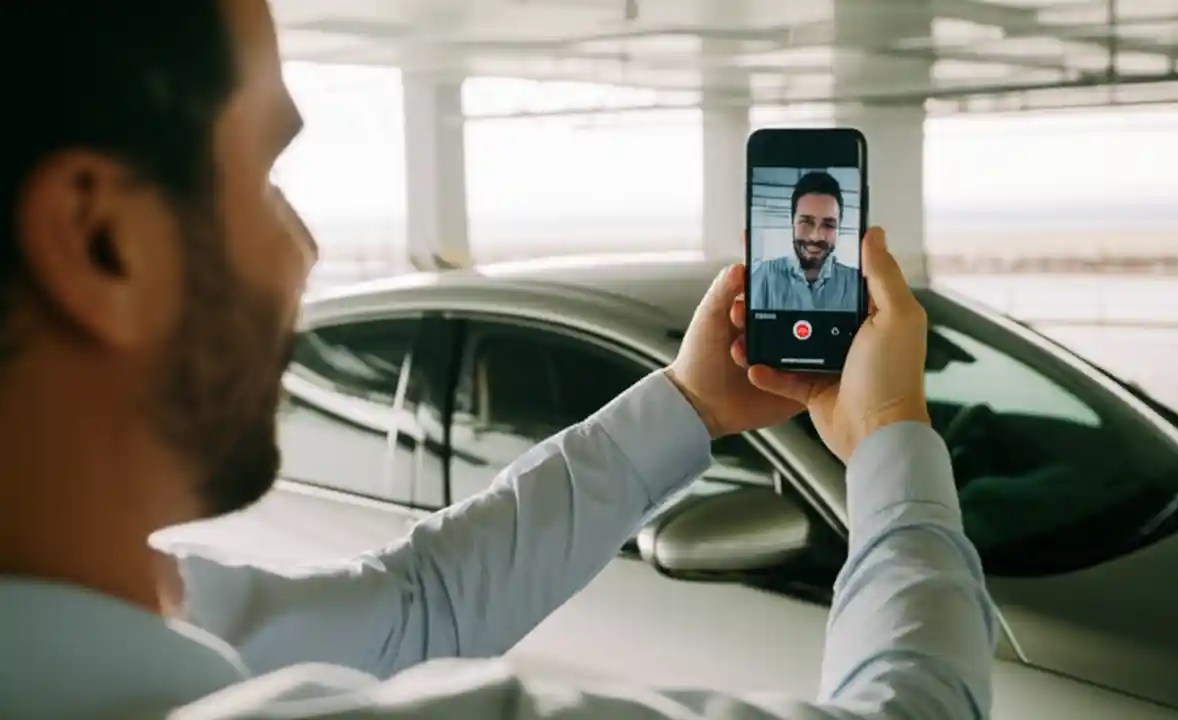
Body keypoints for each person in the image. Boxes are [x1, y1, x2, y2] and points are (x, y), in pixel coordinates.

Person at [0, 2, 994, 718]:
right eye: (261, 175)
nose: (302, 249)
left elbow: (412, 608)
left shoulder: (159, 606)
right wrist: (889, 446)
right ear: (102, 243)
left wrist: (690, 403)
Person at [750, 170, 862, 312]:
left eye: (828, 225)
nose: (816, 237)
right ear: (792, 222)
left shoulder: (858, 284)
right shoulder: (763, 277)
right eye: (806, 222)